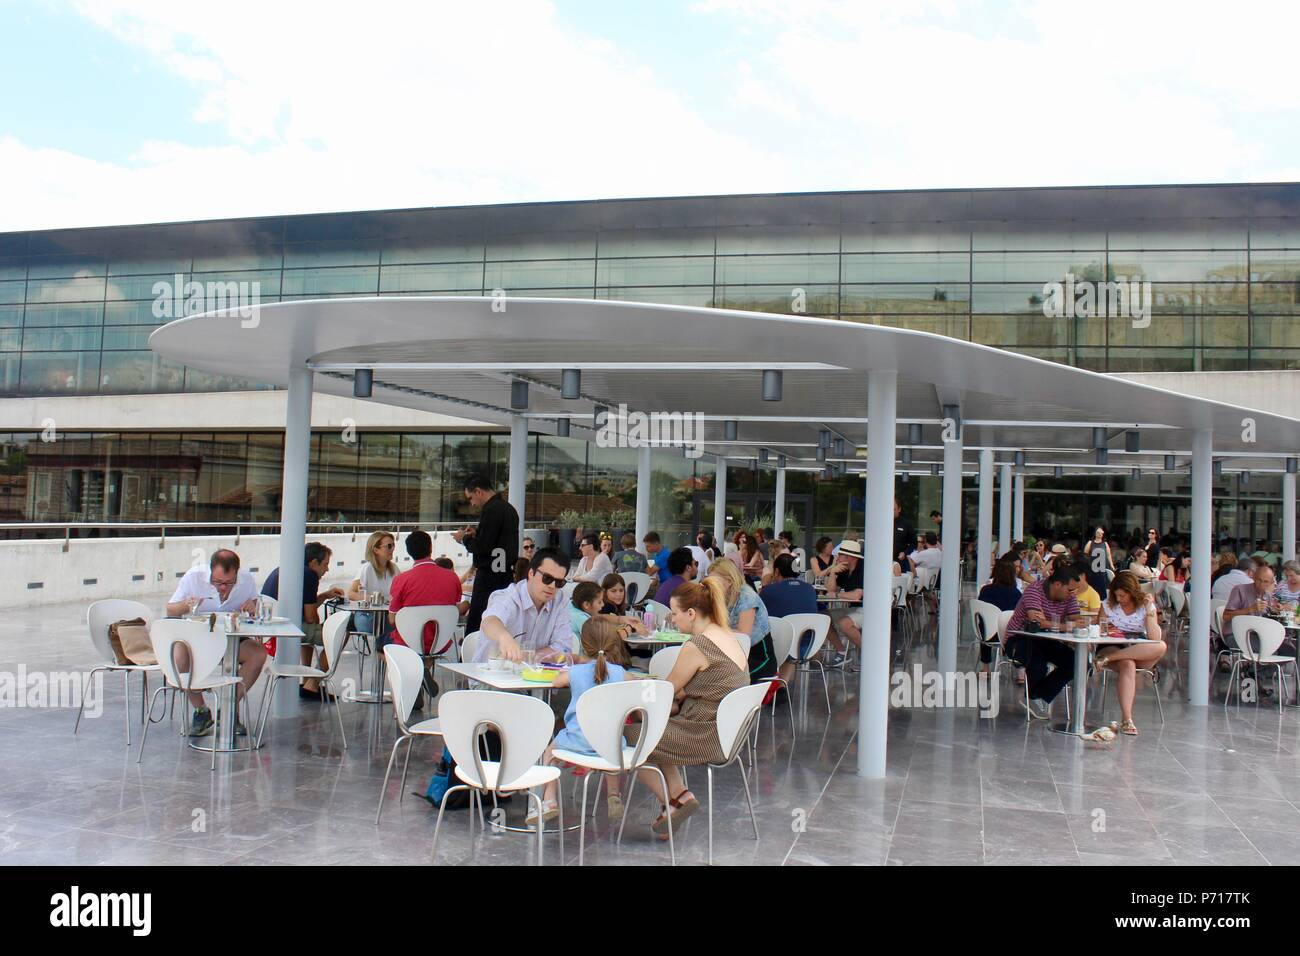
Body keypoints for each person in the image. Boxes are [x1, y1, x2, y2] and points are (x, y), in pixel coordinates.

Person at [635, 578, 750, 840]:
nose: (673, 620)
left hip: (704, 735)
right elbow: (712, 684)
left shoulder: (698, 646)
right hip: (726, 733)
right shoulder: (727, 636)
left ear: (690, 613)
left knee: (628, 739)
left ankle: (674, 802)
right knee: (654, 731)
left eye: (674, 613)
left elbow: (664, 693)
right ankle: (678, 797)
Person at [531, 619, 631, 825]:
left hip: (576, 740)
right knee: (610, 752)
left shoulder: (576, 673)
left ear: (584, 646)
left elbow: (555, 681)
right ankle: (613, 795)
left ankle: (549, 799)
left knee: (549, 752)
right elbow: (638, 684)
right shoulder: (621, 674)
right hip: (610, 744)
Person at [165, 549, 264, 737]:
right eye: (217, 582)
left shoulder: (246, 580)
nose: (223, 588)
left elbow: (254, 606)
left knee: (258, 655)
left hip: (230, 637)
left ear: (236, 573)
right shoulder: (194, 577)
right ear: (210, 572)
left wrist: (252, 607)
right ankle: (201, 710)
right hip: (198, 637)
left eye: (229, 583)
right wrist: (188, 605)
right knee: (179, 654)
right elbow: (170, 610)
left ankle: (228, 709)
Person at [262, 543, 344, 699]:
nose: (327, 569)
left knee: (309, 630)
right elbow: (311, 616)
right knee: (339, 634)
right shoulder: (309, 575)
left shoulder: (287, 568)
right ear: (314, 563)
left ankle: (306, 681)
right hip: (288, 628)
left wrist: (325, 595)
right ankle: (312, 684)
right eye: (325, 564)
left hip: (275, 627)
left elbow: (304, 609)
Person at [1004, 563, 1087, 718]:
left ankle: (1038, 696)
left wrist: (1068, 623)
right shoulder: (1034, 590)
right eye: (1070, 590)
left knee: (1078, 663)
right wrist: (1066, 625)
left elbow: (1077, 620)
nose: (1073, 594)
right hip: (1019, 639)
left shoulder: (1069, 596)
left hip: (1047, 640)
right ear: (1057, 584)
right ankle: (1035, 697)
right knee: (1038, 664)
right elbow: (1036, 622)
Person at [1094, 570, 1168, 736]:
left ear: (1132, 593)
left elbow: (1154, 637)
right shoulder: (1108, 605)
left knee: (1161, 645)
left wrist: (1149, 609)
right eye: (1117, 595)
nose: (1120, 599)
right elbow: (1099, 630)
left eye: (1123, 596)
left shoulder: (1144, 605)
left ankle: (1108, 659)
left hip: (1137, 646)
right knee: (1128, 664)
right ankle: (1127, 719)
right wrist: (1108, 629)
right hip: (1113, 643)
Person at [474, 546, 574, 663]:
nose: (552, 586)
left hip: (534, 677)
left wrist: (529, 657)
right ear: (531, 573)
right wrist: (504, 637)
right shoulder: (509, 596)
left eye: (559, 582)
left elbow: (564, 646)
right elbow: (489, 621)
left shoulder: (560, 601)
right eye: (547, 578)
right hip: (489, 676)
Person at [453, 474, 520, 634]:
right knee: (502, 622)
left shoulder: (490, 510)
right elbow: (496, 540)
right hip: (505, 573)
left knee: (478, 623)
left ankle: (472, 658)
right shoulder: (509, 509)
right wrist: (478, 534)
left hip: (489, 575)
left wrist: (464, 539)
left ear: (478, 492)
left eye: (471, 498)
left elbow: (483, 547)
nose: (472, 503)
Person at [386, 530, 463, 655]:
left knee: (381, 644)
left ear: (409, 552)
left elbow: (392, 619)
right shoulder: (452, 577)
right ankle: (424, 669)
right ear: (430, 547)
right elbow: (456, 608)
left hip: (407, 642)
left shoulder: (402, 580)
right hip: (440, 642)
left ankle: (410, 672)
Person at [708, 557, 775, 683]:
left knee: (718, 679)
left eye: (713, 581)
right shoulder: (722, 596)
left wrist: (713, 631)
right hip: (737, 655)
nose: (710, 585)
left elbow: (744, 634)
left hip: (759, 657)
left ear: (729, 581)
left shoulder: (747, 598)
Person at [760, 553, 819, 684]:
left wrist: (765, 585)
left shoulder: (769, 591)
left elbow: (760, 616)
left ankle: (771, 684)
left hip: (781, 645)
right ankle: (781, 683)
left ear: (776, 571)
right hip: (808, 644)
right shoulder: (810, 589)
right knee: (791, 636)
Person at [976, 560, 1022, 671]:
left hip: (986, 634)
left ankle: (985, 668)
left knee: (985, 624)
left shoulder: (985, 590)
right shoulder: (1016, 594)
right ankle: (1021, 670)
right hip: (1008, 636)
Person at [826, 539, 865, 666]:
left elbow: (856, 595)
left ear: (850, 557)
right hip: (854, 609)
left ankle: (868, 654)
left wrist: (837, 594)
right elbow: (830, 590)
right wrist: (832, 572)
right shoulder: (845, 569)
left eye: (840, 555)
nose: (837, 558)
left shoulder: (863, 568)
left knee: (845, 624)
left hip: (871, 609)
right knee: (822, 618)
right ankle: (841, 652)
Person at [1222, 561, 1278, 628]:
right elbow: (1226, 616)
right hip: (1236, 631)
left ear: (1271, 583)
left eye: (1266, 581)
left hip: (1257, 632)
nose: (1261, 584)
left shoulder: (1267, 595)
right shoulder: (1239, 589)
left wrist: (1276, 610)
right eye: (1259, 580)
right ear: (1253, 577)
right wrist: (1250, 609)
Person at [1085, 527, 1114, 598]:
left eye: (1101, 533)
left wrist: (1111, 564)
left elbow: (1108, 555)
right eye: (1098, 532)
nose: (1100, 534)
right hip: (1093, 568)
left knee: (1104, 583)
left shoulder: (1105, 543)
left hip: (1103, 567)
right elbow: (1085, 553)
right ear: (1095, 533)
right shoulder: (1090, 543)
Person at [892, 499, 915, 570]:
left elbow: (913, 543)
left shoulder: (906, 524)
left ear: (899, 509)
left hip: (900, 561)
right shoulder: (882, 523)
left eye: (894, 509)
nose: (891, 512)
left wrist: (905, 553)